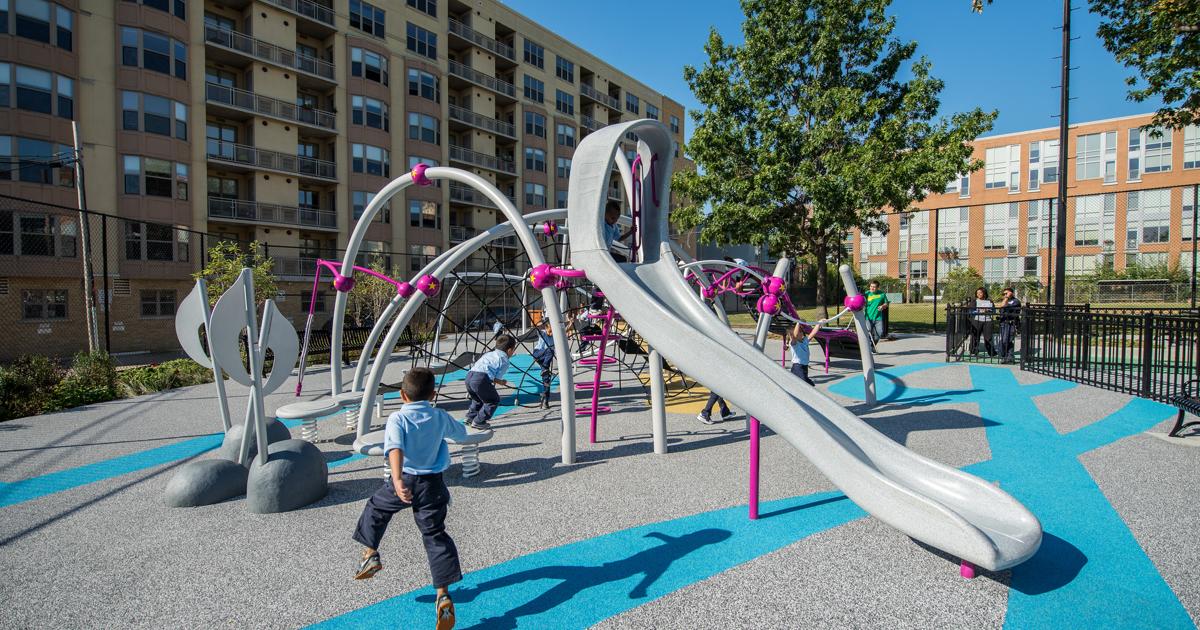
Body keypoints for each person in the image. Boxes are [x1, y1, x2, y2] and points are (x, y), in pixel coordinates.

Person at [351, 367, 467, 630]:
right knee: (435, 534)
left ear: (402, 395)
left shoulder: (398, 419)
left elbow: (395, 447)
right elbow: (461, 434)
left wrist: (397, 480)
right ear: (433, 393)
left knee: (376, 507)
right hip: (433, 484)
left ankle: (370, 553)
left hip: (406, 479)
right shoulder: (440, 416)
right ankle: (443, 595)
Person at [465, 334, 516, 430]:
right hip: (481, 378)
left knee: (477, 399)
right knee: (493, 400)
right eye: (513, 350)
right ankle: (478, 421)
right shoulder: (504, 360)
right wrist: (502, 382)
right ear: (509, 350)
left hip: (469, 376)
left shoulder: (488, 353)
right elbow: (495, 378)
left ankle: (470, 418)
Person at [532, 319, 557, 409]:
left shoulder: (555, 336)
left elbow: (565, 330)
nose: (551, 332)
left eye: (553, 330)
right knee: (550, 350)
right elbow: (537, 326)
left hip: (546, 357)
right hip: (538, 353)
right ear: (546, 328)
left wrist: (570, 323)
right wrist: (542, 322)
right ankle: (545, 369)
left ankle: (546, 400)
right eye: (550, 329)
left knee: (546, 379)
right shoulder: (542, 333)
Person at [789, 320, 824, 385]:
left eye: (801, 331)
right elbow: (795, 335)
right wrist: (798, 323)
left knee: (800, 384)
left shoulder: (805, 341)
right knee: (806, 384)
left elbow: (813, 333)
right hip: (797, 367)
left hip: (804, 367)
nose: (802, 333)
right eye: (800, 332)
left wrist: (819, 323)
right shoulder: (794, 344)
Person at [968, 287, 997, 357]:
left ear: (984, 293)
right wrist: (979, 311)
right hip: (977, 320)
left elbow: (994, 311)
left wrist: (988, 310)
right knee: (975, 337)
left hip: (988, 320)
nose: (979, 294)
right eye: (977, 293)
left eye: (980, 293)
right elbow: (970, 311)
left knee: (988, 337)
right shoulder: (974, 301)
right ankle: (973, 351)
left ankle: (991, 352)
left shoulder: (990, 301)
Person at [997, 287, 1021, 363]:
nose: (1005, 295)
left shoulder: (1016, 301)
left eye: (1006, 293)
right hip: (1003, 323)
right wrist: (1006, 298)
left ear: (1011, 293)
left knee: (1007, 340)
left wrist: (1007, 297)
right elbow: (1001, 307)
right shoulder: (1005, 300)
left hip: (1011, 323)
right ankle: (1007, 357)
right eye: (1003, 294)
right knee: (1004, 340)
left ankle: (1009, 356)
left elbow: (1003, 306)